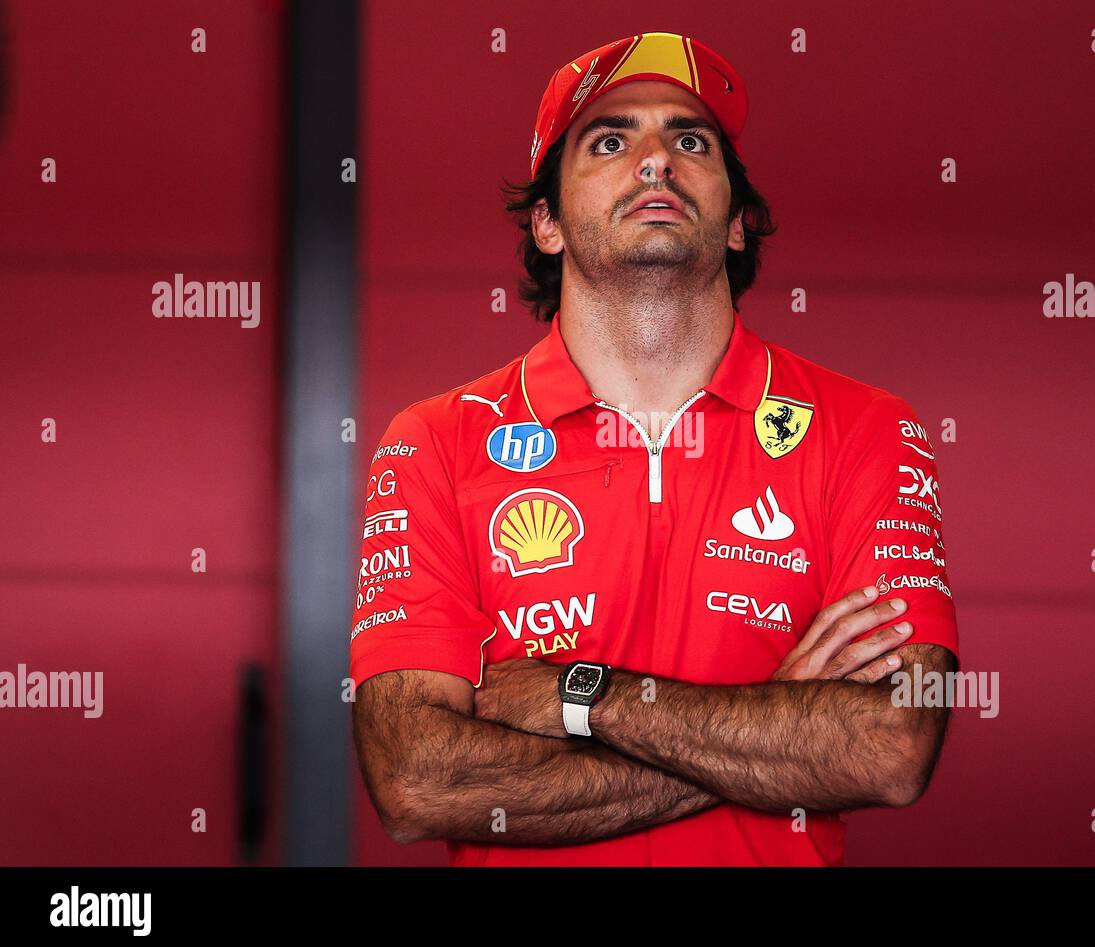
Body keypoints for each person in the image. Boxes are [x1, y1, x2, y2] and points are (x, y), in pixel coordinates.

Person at [350, 31, 959, 866]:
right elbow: (416, 781)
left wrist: (580, 696)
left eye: (689, 139)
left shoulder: (867, 432)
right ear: (549, 225)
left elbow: (891, 744)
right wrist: (773, 722)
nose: (655, 161)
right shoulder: (434, 444)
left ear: (740, 224)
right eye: (610, 139)